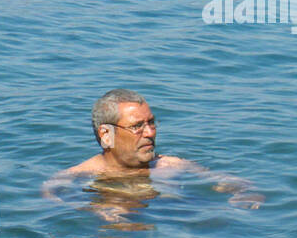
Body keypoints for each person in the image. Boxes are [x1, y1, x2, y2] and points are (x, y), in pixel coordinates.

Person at [42, 89, 262, 208]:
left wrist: (246, 193)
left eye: (151, 123)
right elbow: (49, 196)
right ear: (105, 134)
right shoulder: (81, 175)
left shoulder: (170, 165)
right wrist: (91, 210)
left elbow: (226, 181)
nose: (150, 133)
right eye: (137, 126)